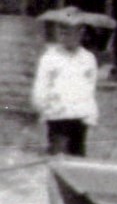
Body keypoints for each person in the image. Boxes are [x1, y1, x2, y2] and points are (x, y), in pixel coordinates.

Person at [31, 22, 97, 159]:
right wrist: (42, 107)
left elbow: (90, 86)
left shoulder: (88, 58)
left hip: (79, 114)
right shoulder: (50, 57)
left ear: (81, 33)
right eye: (62, 33)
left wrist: (90, 113)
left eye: (69, 33)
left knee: (78, 157)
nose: (65, 37)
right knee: (58, 156)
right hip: (58, 114)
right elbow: (41, 85)